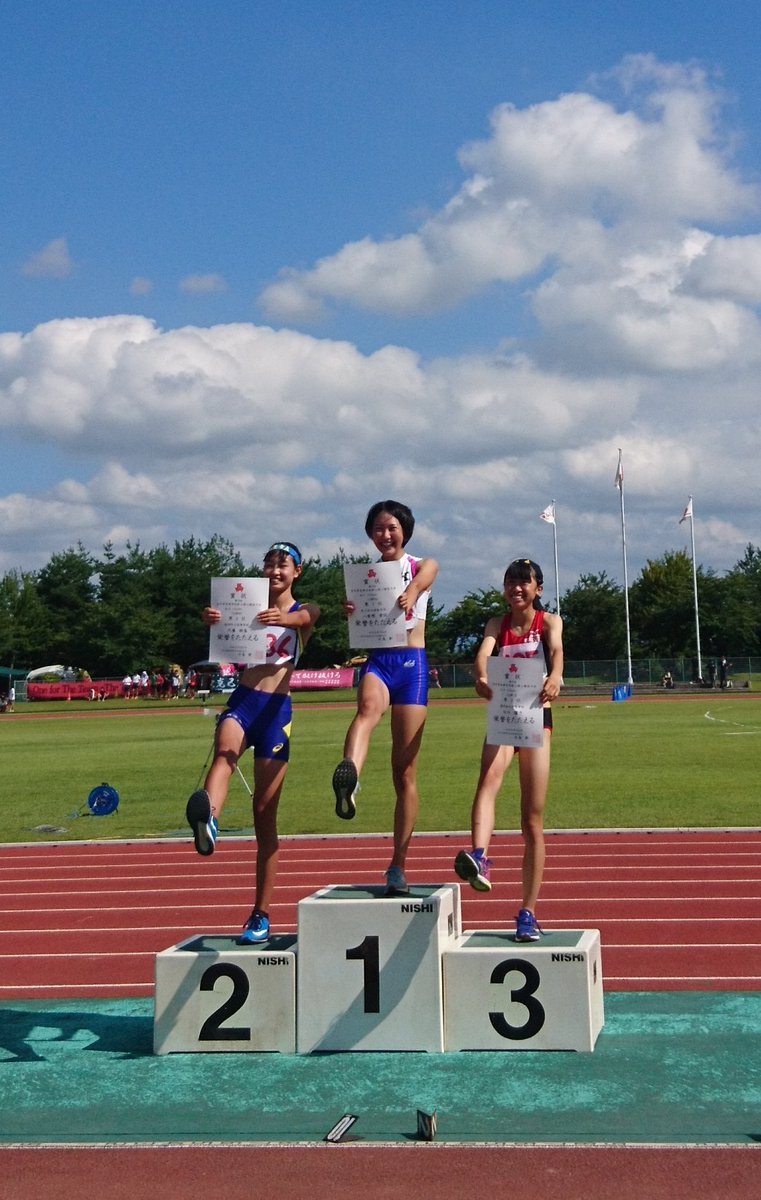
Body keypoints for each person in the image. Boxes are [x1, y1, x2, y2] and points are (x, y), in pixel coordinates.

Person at [185, 541, 319, 945]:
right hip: (244, 700)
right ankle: (208, 818)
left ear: (296, 572)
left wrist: (285, 617)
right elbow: (225, 633)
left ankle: (260, 914)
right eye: (270, 563)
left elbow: (313, 614)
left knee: (264, 814)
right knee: (224, 754)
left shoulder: (302, 611)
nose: (276, 570)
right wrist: (214, 619)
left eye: (284, 565)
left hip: (277, 713)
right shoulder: (245, 604)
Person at [331, 500, 439, 896]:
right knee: (366, 711)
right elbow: (361, 615)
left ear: (404, 530)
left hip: (411, 665)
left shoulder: (418, 565)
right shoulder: (365, 575)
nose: (385, 534)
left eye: (391, 527)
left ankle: (398, 866)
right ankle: (350, 779)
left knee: (404, 772)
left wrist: (410, 591)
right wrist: (352, 611)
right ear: (370, 533)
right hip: (379, 659)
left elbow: (430, 571)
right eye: (378, 528)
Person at [454, 558, 564, 942]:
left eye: (524, 582)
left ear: (538, 589)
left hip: (537, 716)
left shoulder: (548, 621)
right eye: (510, 582)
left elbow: (557, 650)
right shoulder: (495, 625)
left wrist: (556, 676)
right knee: (487, 782)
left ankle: (528, 911)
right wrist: (481, 675)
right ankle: (480, 856)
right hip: (504, 715)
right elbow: (484, 652)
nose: (516, 588)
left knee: (531, 819)